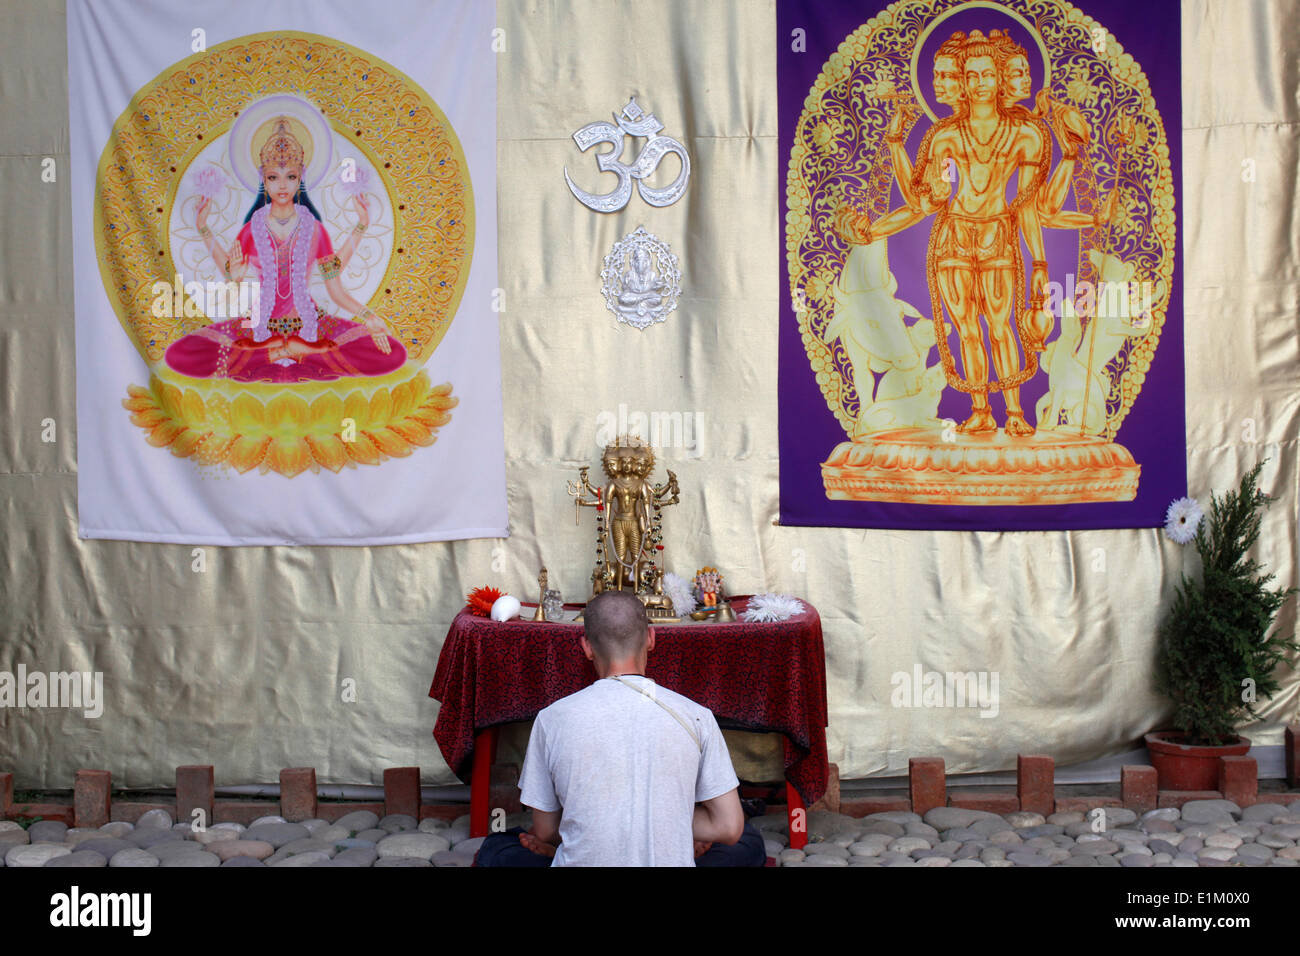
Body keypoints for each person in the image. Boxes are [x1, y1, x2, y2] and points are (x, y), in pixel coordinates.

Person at [474, 590, 767, 867]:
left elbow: (545, 829)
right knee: (747, 840)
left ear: (586, 647)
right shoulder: (696, 715)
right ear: (651, 638)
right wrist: (670, 828)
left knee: (498, 846)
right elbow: (728, 827)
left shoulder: (552, 718)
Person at [164, 117, 406, 383]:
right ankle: (287, 350)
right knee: (181, 353)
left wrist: (369, 316)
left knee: (391, 354)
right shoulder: (252, 228)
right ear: (263, 180)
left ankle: (279, 351)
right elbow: (231, 272)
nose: (282, 185)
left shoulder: (314, 229)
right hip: (258, 324)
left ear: (300, 176)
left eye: (290, 177)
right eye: (273, 177)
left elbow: (334, 288)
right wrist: (203, 229)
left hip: (311, 323)